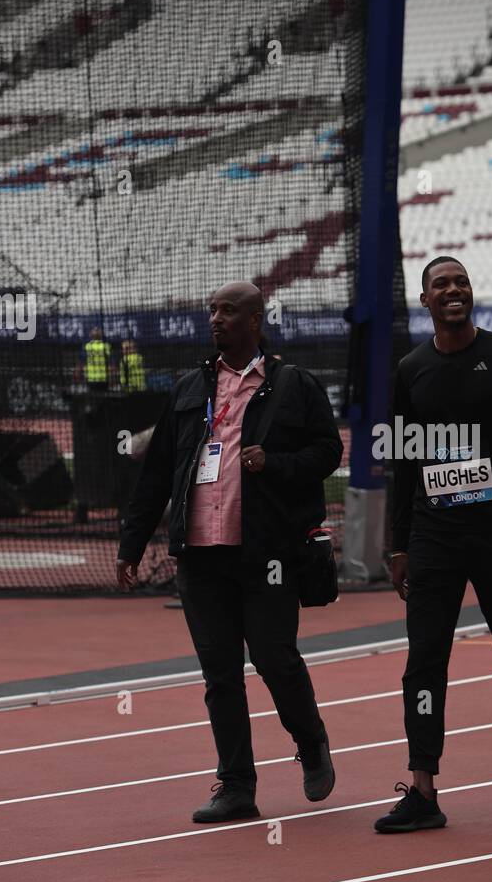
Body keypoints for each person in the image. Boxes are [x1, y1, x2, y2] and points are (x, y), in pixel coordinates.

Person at [115, 281, 342, 822]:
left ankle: (310, 741)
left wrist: (277, 463)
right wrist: (132, 542)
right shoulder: (192, 386)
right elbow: (157, 474)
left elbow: (329, 451)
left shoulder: (293, 384)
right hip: (199, 554)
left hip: (264, 551)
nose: (216, 319)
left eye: (229, 311)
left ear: (256, 321)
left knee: (273, 658)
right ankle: (237, 785)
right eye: (212, 310)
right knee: (220, 674)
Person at [375, 256, 492, 833]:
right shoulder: (410, 369)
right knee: (424, 661)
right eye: (441, 285)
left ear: (471, 293)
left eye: (461, 282)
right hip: (434, 534)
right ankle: (423, 788)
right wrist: (398, 544)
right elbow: (404, 462)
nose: (453, 290)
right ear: (426, 302)